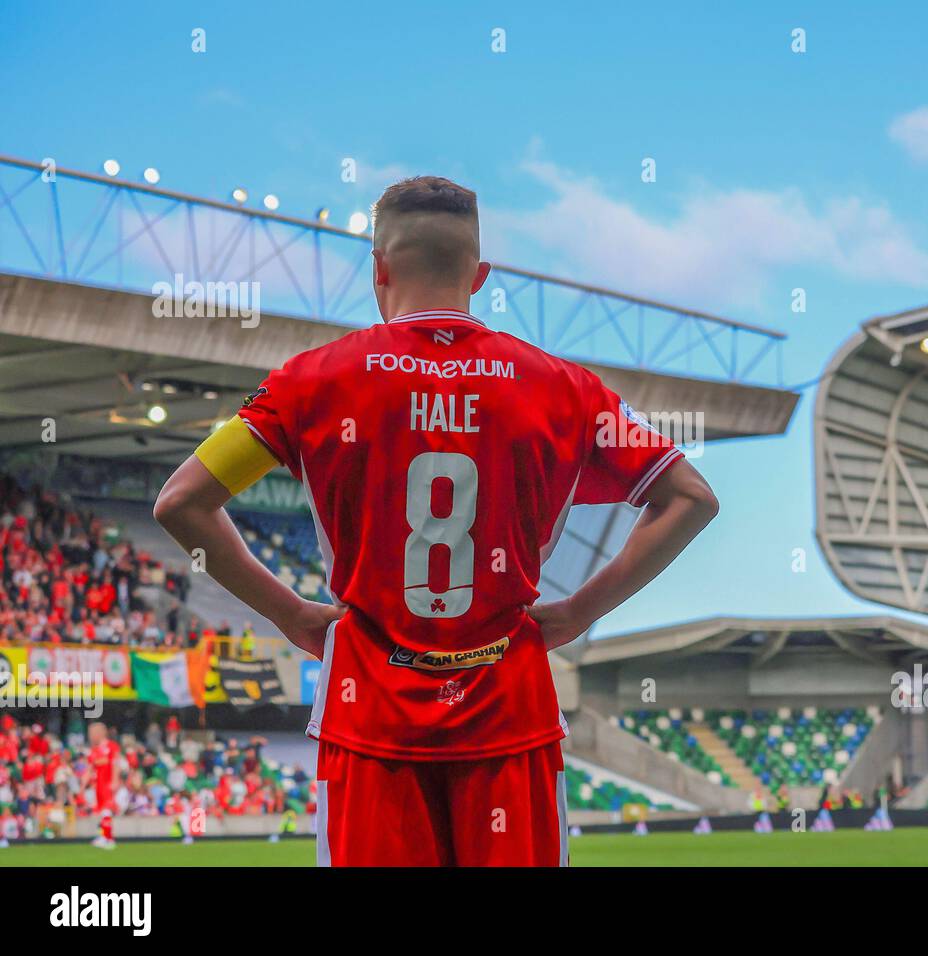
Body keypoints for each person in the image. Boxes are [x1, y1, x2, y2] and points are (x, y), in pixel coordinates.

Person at [153, 175, 719, 867]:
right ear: (479, 275)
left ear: (379, 269)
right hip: (511, 709)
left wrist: (291, 614)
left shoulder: (311, 380)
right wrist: (574, 612)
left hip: (369, 713)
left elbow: (181, 501)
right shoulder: (564, 387)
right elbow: (691, 497)